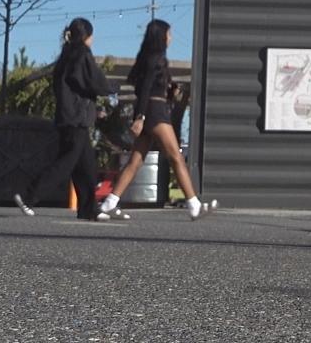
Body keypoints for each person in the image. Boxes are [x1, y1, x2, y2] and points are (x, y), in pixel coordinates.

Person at [99, 19, 215, 220]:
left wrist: (168, 92)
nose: (170, 38)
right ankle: (194, 204)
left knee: (136, 160)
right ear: (160, 36)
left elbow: (145, 87)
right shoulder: (157, 59)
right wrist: (141, 117)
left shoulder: (148, 58)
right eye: (168, 34)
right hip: (154, 112)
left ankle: (109, 203)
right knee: (176, 156)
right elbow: (145, 90)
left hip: (152, 109)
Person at [14, 17, 114, 220]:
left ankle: (89, 209)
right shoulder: (81, 54)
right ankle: (29, 195)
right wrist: (111, 89)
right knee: (66, 162)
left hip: (68, 116)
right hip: (75, 117)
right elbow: (92, 81)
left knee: (85, 165)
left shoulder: (65, 55)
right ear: (86, 35)